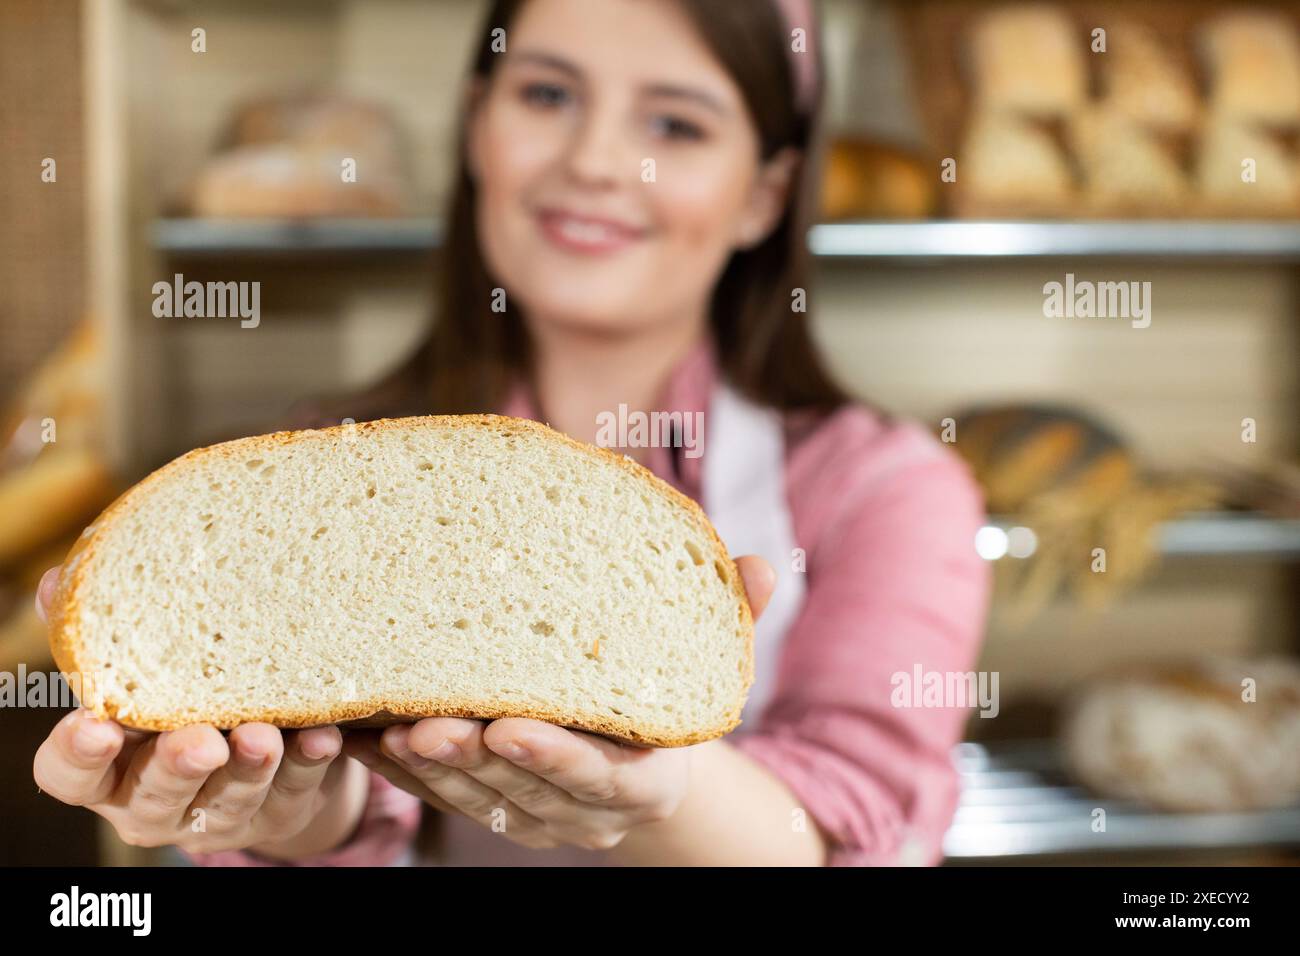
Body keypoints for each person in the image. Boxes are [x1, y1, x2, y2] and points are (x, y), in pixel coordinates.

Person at [33, 0, 990, 866]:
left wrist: (665, 795)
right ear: (478, 124)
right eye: (546, 94)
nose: (597, 162)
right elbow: (338, 788)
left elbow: (863, 829)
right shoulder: (326, 456)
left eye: (675, 124)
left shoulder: (884, 489)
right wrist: (292, 816)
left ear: (763, 195)